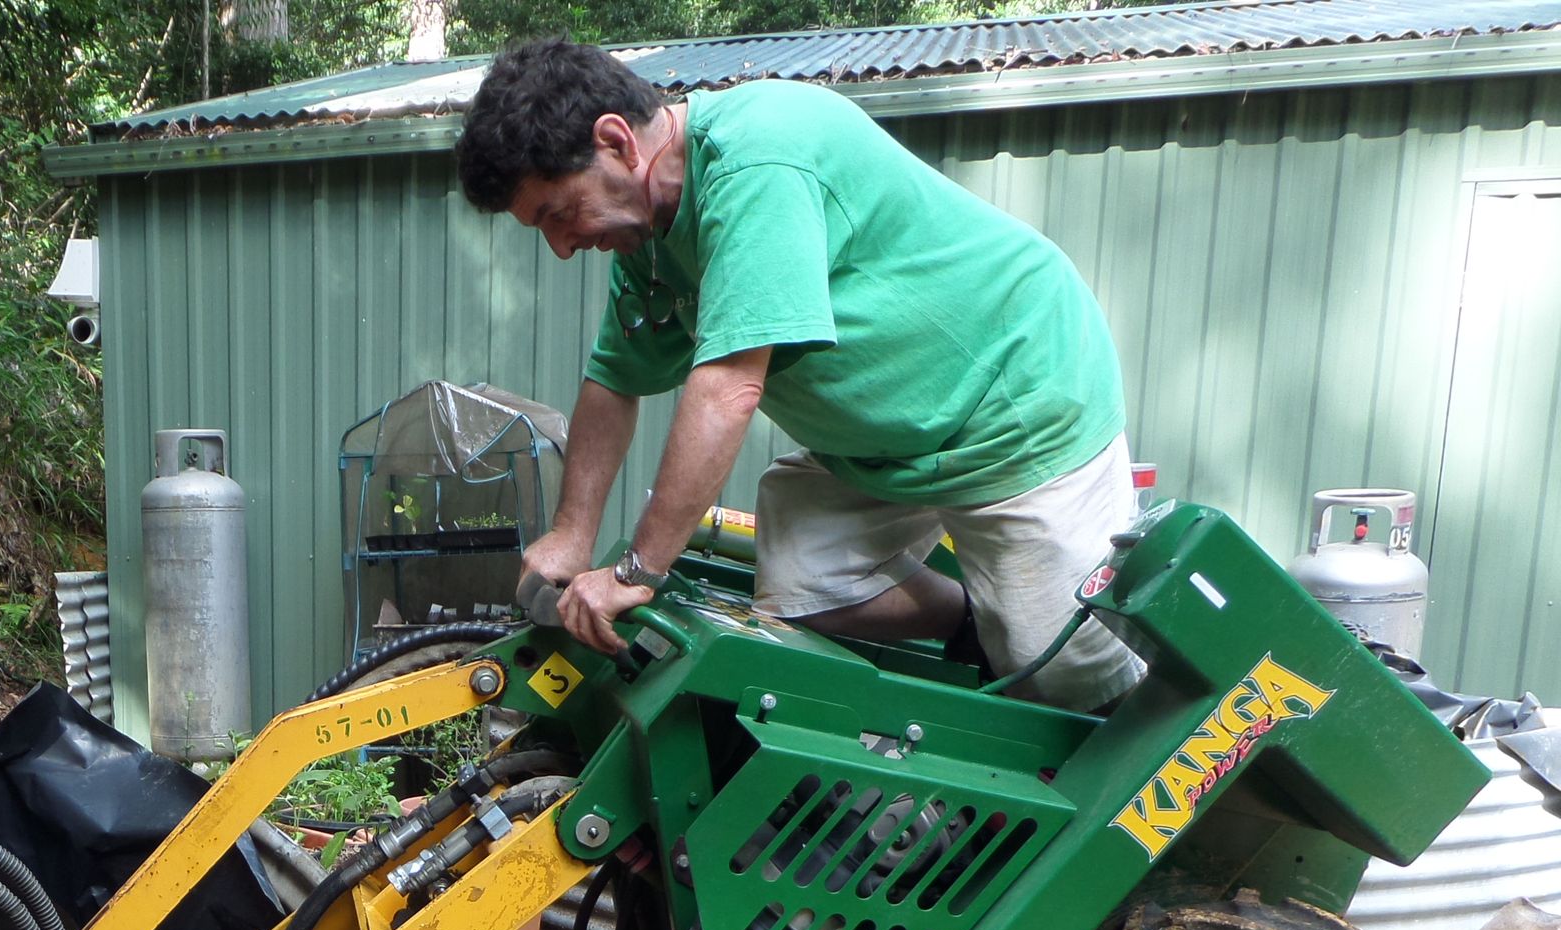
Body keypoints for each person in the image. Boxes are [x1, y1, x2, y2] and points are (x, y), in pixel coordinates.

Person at [454, 36, 1144, 713]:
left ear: (616, 142)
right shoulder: (649, 230)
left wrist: (638, 572)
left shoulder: (759, 159)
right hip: (888, 450)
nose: (563, 247)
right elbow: (614, 381)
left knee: (1069, 674)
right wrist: (572, 534)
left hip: (1016, 409)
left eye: (559, 214)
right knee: (802, 589)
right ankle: (972, 620)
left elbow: (728, 390)